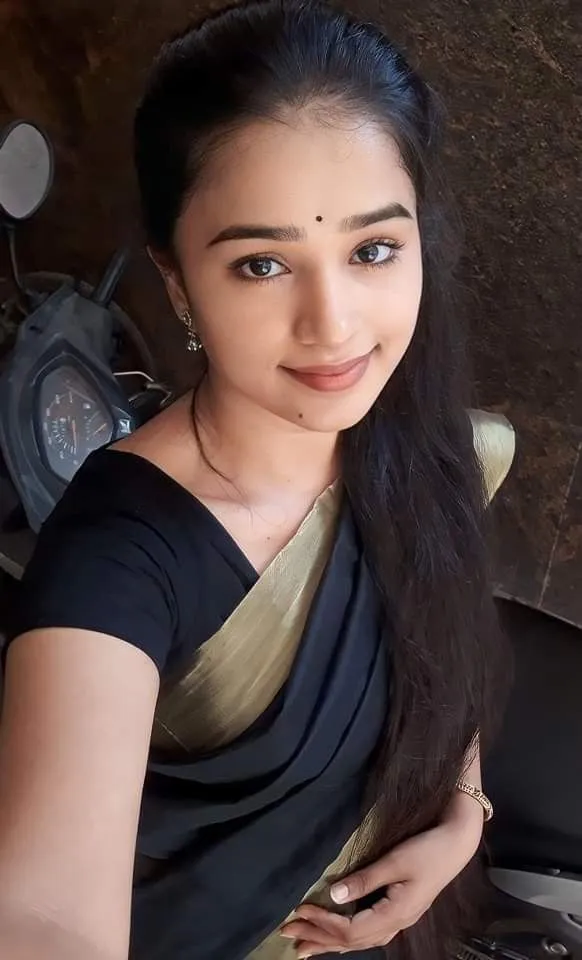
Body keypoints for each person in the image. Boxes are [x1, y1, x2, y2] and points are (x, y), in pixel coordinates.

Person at [0, 2, 516, 959]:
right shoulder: (117, 562)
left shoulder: (431, 446)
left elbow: (441, 639)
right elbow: (47, 914)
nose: (333, 325)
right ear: (178, 282)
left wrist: (463, 809)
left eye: (372, 250)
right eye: (264, 264)